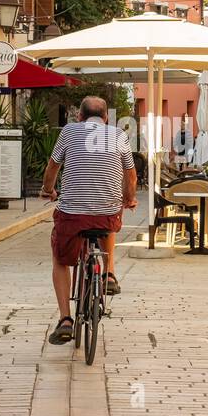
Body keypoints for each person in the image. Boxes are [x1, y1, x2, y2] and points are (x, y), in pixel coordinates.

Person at [40, 96, 138, 344]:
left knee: (60, 258)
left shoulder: (69, 131)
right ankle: (109, 274)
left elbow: (53, 167)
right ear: (106, 118)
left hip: (72, 215)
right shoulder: (117, 134)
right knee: (110, 212)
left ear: (79, 117)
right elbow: (131, 175)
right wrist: (129, 198)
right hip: (107, 216)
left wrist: (48, 190)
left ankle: (65, 320)